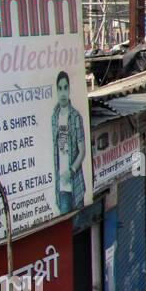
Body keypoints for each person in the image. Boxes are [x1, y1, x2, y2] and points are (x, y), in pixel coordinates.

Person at [50, 70, 86, 214]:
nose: (63, 92)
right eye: (60, 88)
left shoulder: (76, 116)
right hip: (62, 189)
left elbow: (82, 151)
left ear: (69, 89)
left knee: (77, 229)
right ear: (57, 90)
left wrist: (70, 171)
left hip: (75, 185)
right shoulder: (54, 117)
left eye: (66, 88)